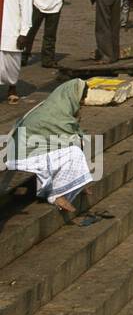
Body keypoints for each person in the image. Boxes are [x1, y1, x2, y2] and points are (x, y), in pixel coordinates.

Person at [6, 78, 95, 221]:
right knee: (74, 152)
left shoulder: (59, 108)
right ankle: (56, 195)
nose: (83, 102)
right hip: (23, 155)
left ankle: (74, 184)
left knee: (73, 148)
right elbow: (72, 140)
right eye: (82, 98)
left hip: (34, 150)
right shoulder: (54, 113)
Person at [1, 0, 33, 103]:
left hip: (12, 29)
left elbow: (26, 9)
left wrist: (24, 32)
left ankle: (12, 87)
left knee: (12, 62)